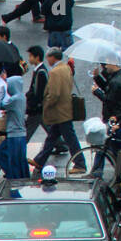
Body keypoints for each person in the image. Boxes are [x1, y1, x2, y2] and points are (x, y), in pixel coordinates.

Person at [32, 48, 86, 176]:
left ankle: (80, 163)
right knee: (52, 137)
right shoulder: (66, 68)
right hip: (65, 109)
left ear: (53, 57)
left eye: (48, 57)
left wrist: (47, 104)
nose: (47, 60)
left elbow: (54, 94)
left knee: (70, 138)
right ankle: (39, 160)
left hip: (59, 111)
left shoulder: (55, 72)